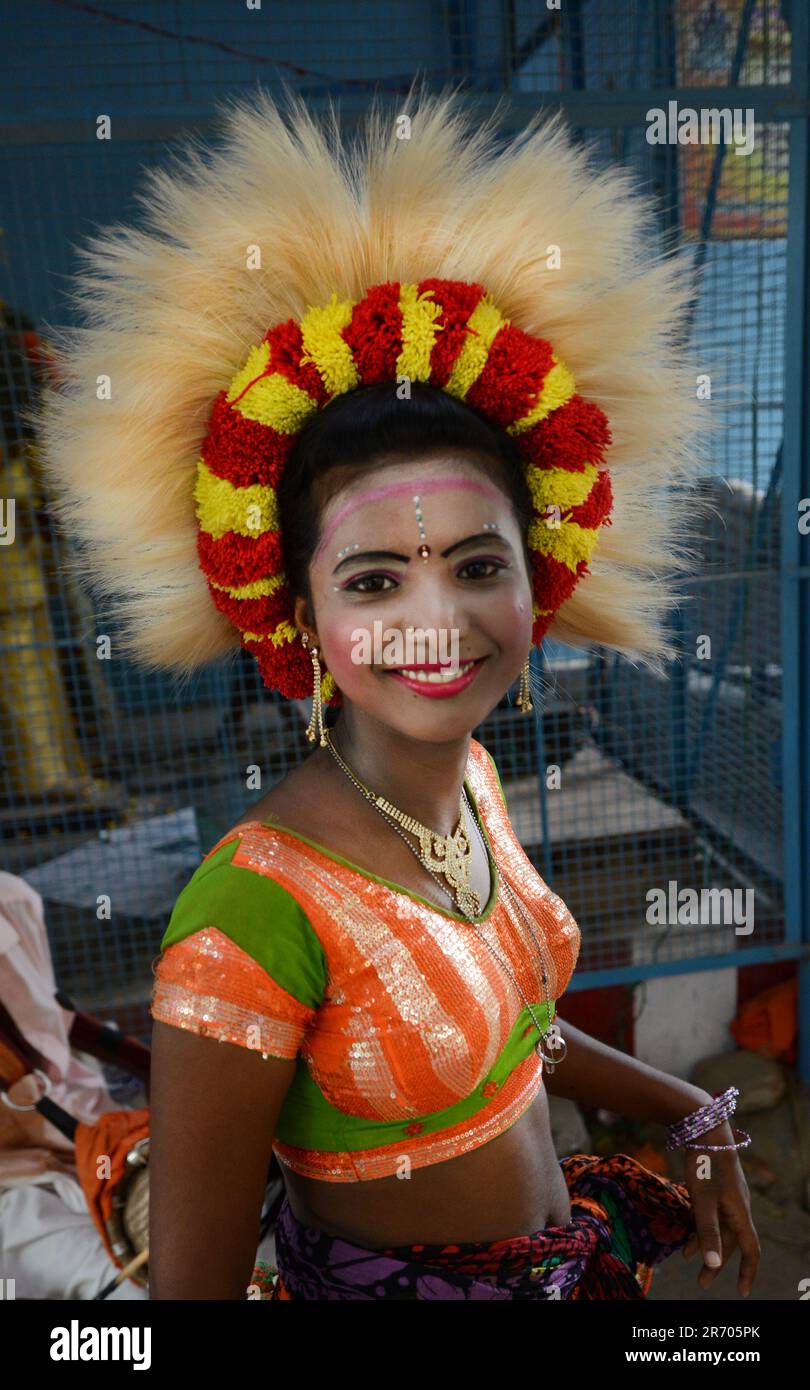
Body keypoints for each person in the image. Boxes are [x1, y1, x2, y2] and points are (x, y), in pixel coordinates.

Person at [34, 81, 759, 1301]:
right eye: (376, 581)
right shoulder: (250, 915)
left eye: (480, 566)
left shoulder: (468, 780)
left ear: (543, 577)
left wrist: (690, 1101)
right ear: (300, 613)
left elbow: (506, 1036)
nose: (440, 623)